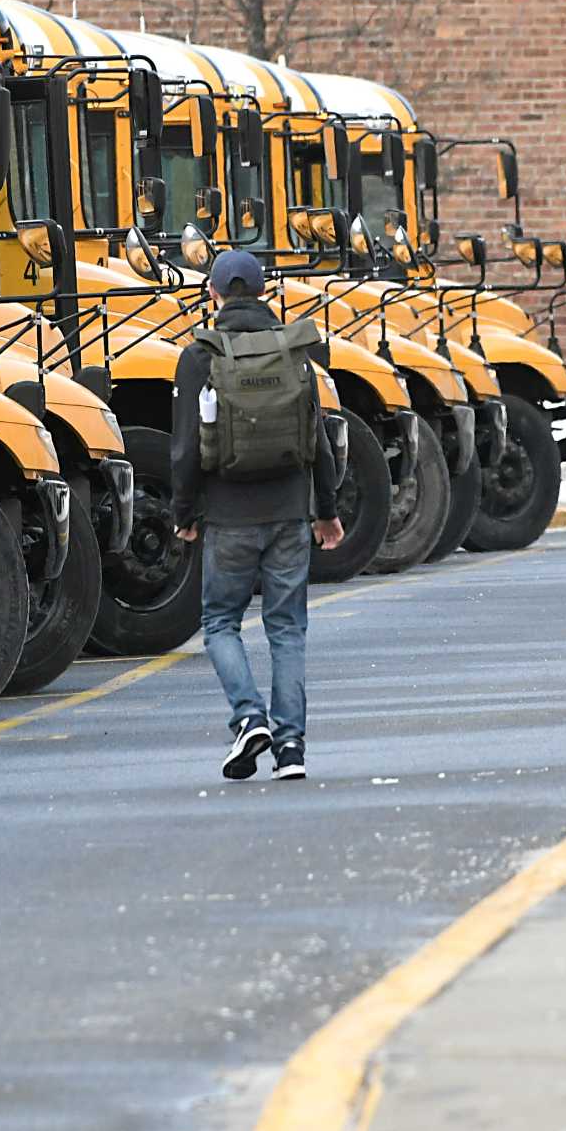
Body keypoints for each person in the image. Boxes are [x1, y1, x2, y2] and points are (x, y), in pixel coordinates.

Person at [171, 249, 344, 781]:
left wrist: (184, 511)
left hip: (228, 516)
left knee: (221, 622)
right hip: (289, 512)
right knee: (287, 629)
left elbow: (185, 447)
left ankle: (249, 719)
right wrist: (326, 511)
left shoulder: (199, 355)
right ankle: (291, 749)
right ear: (266, 292)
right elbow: (317, 438)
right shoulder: (295, 350)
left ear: (213, 294)